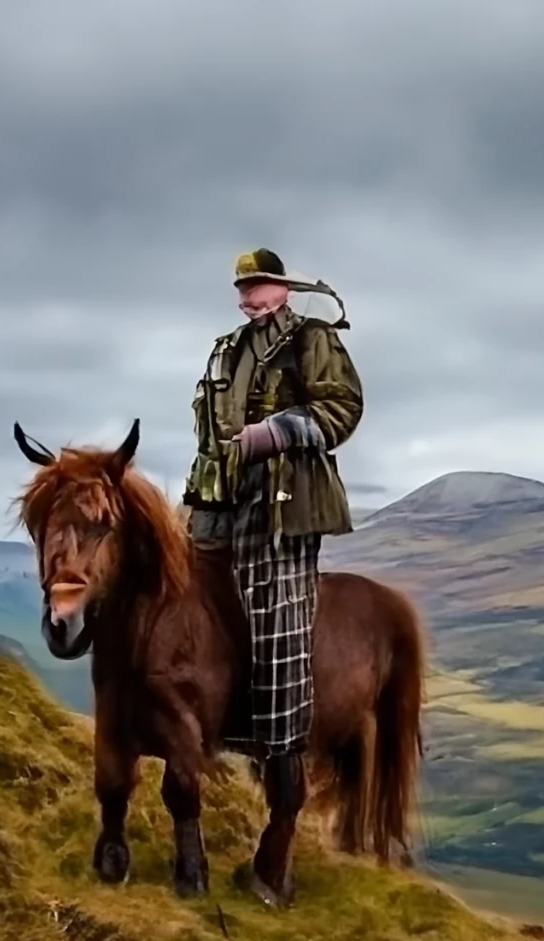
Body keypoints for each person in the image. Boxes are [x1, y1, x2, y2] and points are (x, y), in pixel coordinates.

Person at [182, 248, 363, 896]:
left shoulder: (312, 340)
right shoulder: (225, 350)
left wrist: (279, 432)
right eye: (243, 289)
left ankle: (282, 760)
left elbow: (343, 408)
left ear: (282, 289)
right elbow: (208, 436)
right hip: (219, 503)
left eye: (258, 287)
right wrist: (198, 498)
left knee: (278, 629)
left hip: (286, 507)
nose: (248, 298)